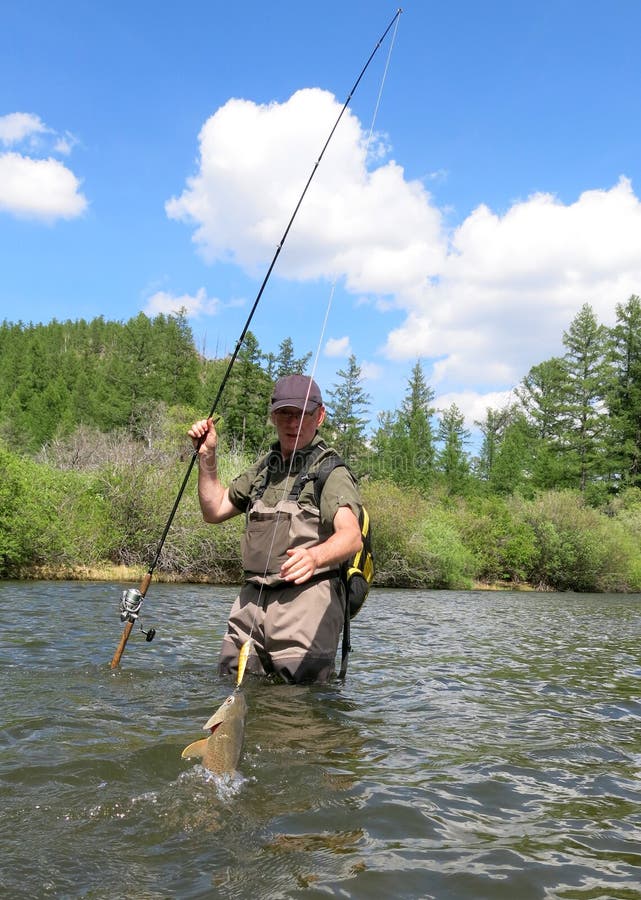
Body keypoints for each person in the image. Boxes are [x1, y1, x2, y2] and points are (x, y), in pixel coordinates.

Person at [188, 374, 363, 684]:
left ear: (319, 415)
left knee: (295, 708)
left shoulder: (331, 471)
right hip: (250, 603)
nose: (292, 422)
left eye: (301, 414)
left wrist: (315, 557)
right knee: (230, 690)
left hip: (305, 605)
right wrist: (207, 457)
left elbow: (351, 537)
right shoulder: (265, 468)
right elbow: (214, 510)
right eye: (284, 413)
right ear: (273, 417)